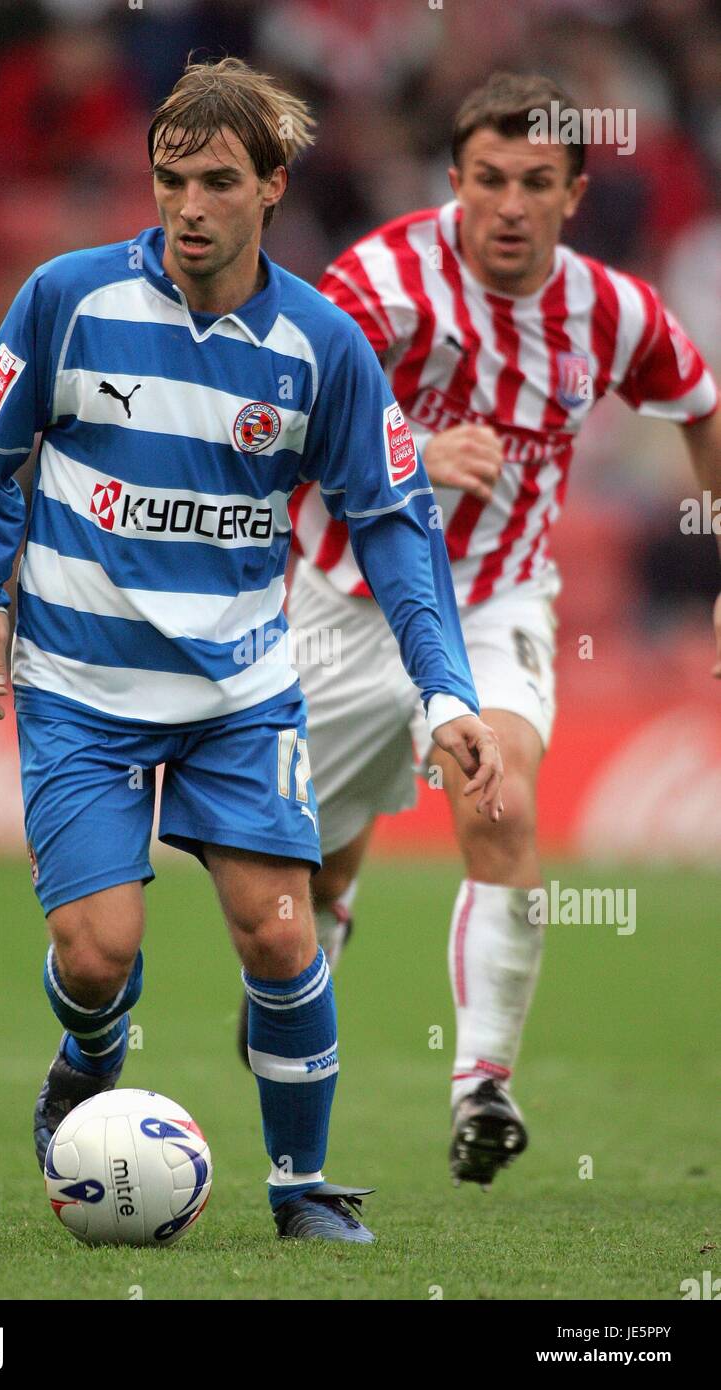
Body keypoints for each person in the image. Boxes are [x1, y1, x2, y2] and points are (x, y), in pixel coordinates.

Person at [0, 57, 502, 1244]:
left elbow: (394, 522)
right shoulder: (67, 299)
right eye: (168, 180)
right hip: (82, 686)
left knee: (282, 932)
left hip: (239, 690)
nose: (187, 206)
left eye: (216, 182)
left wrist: (446, 688)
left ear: (272, 188)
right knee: (97, 956)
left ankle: (301, 1188)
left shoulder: (320, 346)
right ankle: (87, 1052)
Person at [279, 71, 720, 1188]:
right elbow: (282, 418)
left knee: (500, 793)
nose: (509, 204)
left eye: (535, 182)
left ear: (573, 193)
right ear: (454, 182)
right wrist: (412, 456)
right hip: (348, 599)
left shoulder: (610, 311)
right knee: (308, 876)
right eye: (488, 179)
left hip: (493, 600)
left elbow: (699, 409)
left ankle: (481, 1083)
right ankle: (328, 914)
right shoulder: (375, 281)